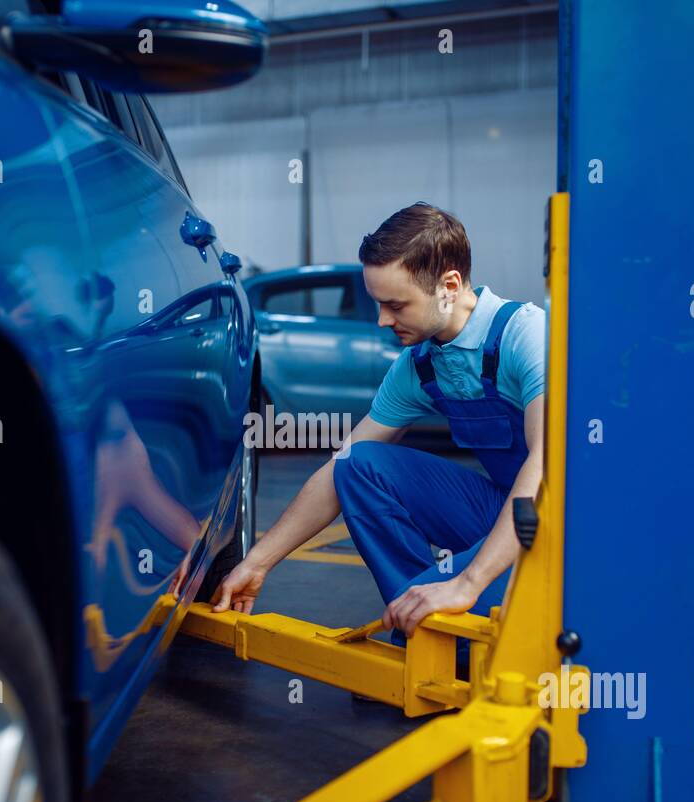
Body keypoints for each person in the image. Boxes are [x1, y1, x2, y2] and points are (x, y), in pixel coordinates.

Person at [210, 202, 546, 659]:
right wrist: (258, 562)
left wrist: (467, 583)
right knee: (358, 466)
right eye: (378, 304)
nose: (382, 321)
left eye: (395, 304)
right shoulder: (419, 366)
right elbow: (339, 470)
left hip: (559, 524)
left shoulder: (526, 336)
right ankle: (425, 622)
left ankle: (437, 625)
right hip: (502, 513)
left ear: (448, 286)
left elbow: (547, 466)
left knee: (444, 625)